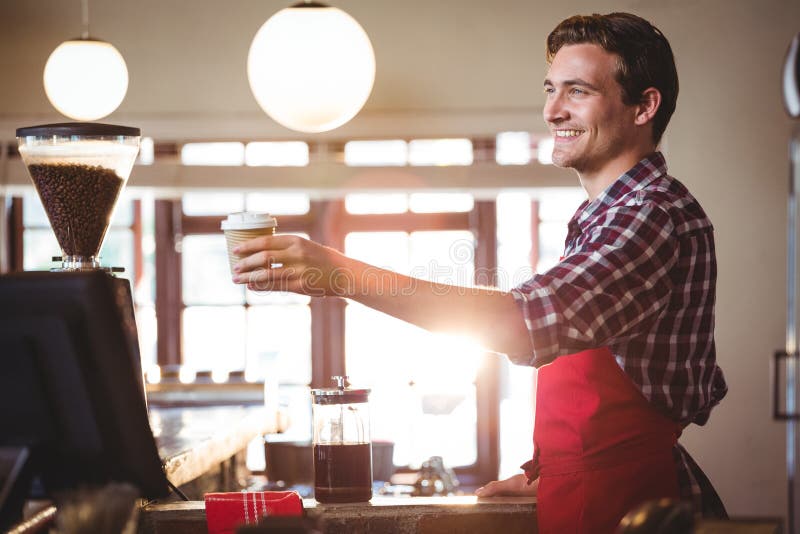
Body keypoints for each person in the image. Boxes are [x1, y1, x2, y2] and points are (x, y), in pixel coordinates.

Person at [231, 12, 727, 533]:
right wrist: (552, 469)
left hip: (630, 509)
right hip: (590, 494)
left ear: (644, 106)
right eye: (551, 89)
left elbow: (525, 322)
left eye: (577, 92)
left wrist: (339, 274)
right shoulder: (606, 215)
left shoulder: (648, 215)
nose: (552, 110)